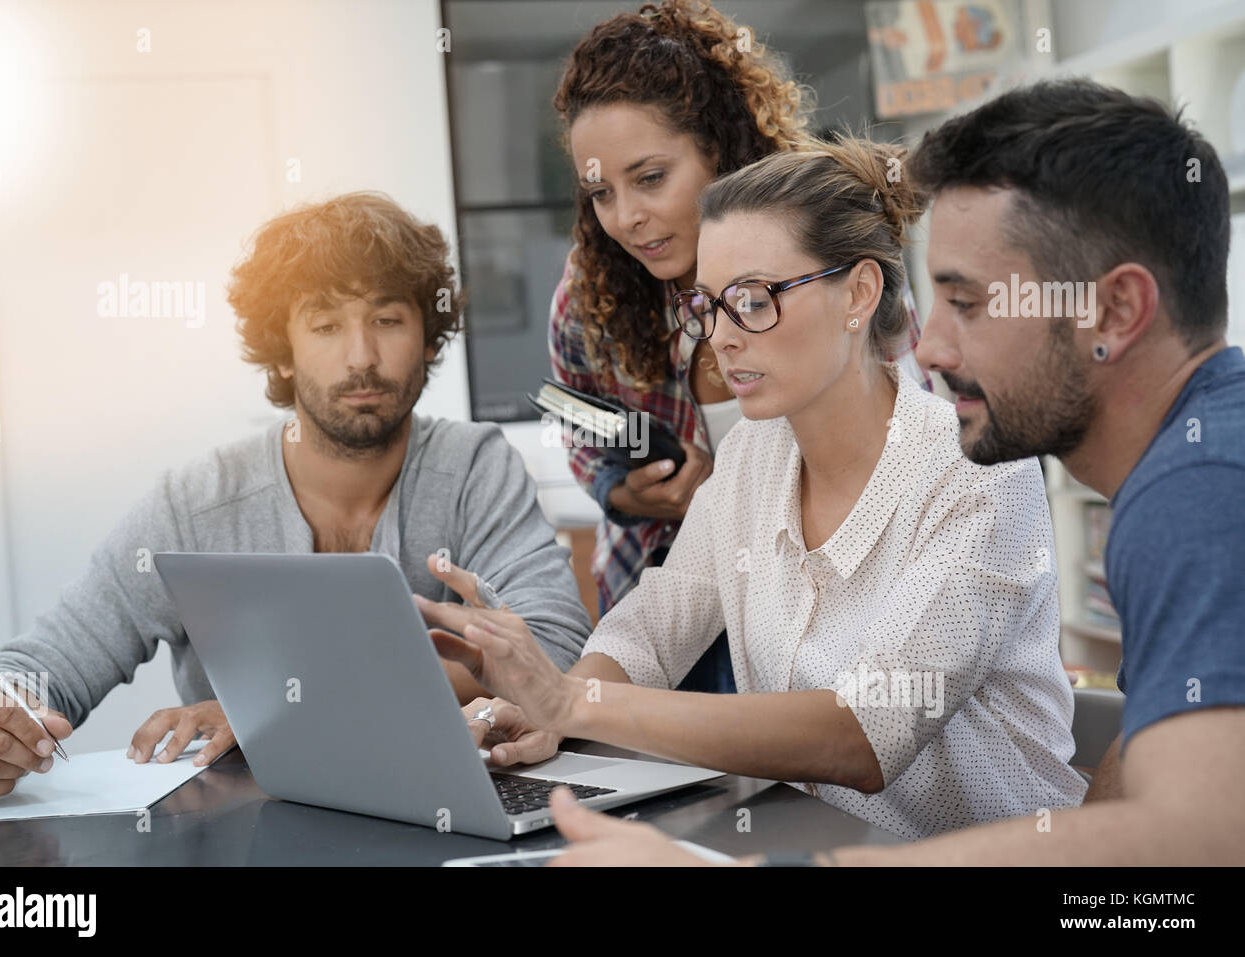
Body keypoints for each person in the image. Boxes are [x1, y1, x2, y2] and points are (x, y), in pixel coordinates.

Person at [538, 78, 1245, 865]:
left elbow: (1191, 850)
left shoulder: (1199, 492)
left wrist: (579, 703)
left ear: (1114, 313)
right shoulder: (1179, 477)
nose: (932, 347)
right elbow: (1152, 844)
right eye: (710, 307)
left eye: (969, 303)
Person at [418, 136, 1086, 841]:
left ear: (859, 292)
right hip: (815, 848)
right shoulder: (750, 459)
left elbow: (860, 733)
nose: (721, 339)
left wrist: (571, 700)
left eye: (754, 300)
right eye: (709, 306)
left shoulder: (976, 472)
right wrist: (541, 709)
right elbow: (652, 630)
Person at [0, 192, 591, 797]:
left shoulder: (472, 467)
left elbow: (554, 650)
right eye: (326, 324)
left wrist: (280, 709)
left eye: (388, 319)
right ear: (283, 352)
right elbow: (51, 661)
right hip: (248, 835)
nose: (361, 356)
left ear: (426, 339)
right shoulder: (196, 503)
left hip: (441, 818)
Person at [548, 0, 930, 692]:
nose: (627, 217)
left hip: (821, 608)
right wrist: (623, 487)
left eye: (651, 177)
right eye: (601, 192)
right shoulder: (592, 292)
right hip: (663, 586)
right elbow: (582, 422)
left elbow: (908, 424)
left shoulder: (822, 251)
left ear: (720, 149)